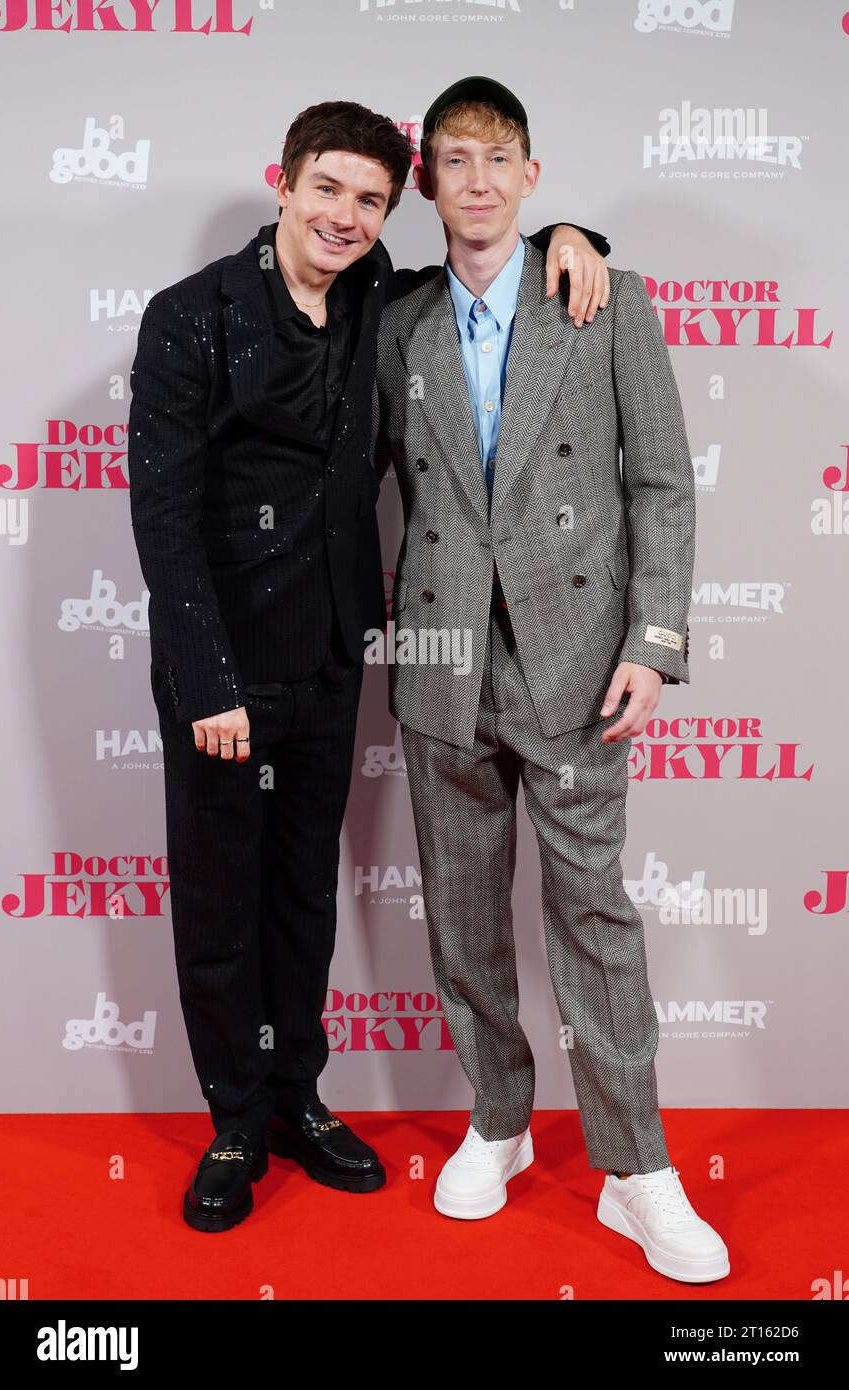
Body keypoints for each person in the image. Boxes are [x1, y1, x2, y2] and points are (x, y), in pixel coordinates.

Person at [127, 95, 612, 1232]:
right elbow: (162, 514)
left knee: (301, 894)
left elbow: (490, 257)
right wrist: (206, 683)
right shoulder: (189, 318)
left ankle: (298, 1097)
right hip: (224, 676)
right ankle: (236, 1122)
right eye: (329, 190)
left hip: (334, 659)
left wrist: (575, 240)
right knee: (220, 903)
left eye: (371, 200)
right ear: (282, 182)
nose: (348, 216)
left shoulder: (377, 305)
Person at [373, 77, 729, 1283]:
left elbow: (663, 486)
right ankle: (499, 1121)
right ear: (425, 184)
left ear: (532, 177)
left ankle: (639, 1173)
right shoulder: (394, 320)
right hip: (439, 657)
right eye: (453, 160)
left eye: (499, 160)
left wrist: (655, 639)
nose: (475, 180)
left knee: (592, 915)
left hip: (577, 659)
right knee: (464, 916)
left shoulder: (603, 297)